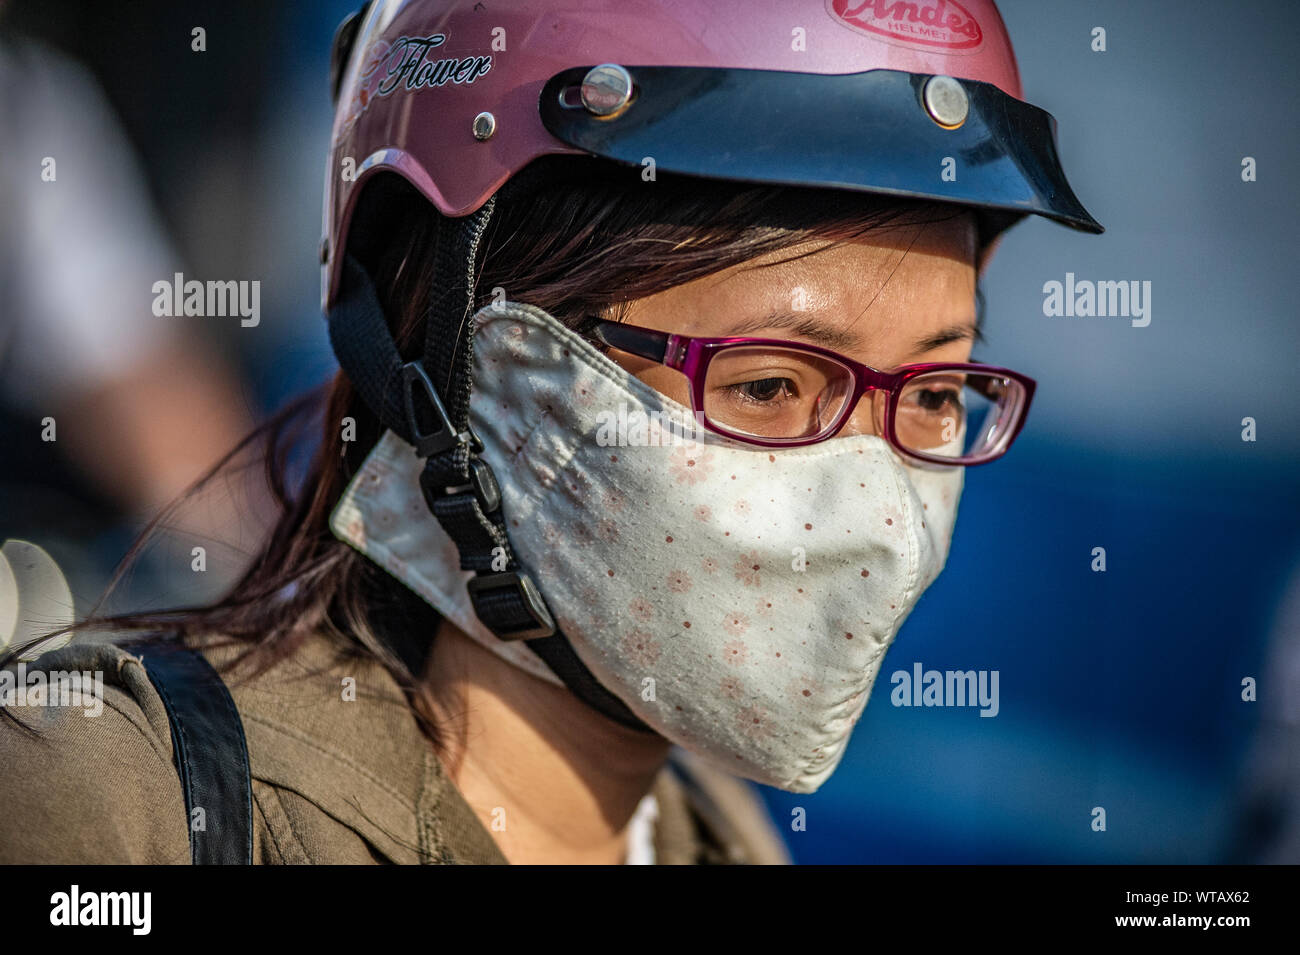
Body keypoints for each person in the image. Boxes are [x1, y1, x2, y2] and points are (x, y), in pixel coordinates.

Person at [0, 0, 1101, 865]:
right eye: (767, 387)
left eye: (934, 396)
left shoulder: (714, 842)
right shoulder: (111, 808)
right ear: (456, 360)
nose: (878, 514)